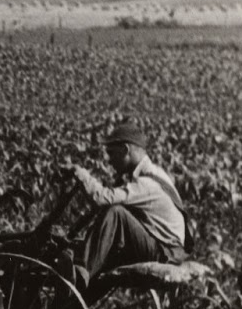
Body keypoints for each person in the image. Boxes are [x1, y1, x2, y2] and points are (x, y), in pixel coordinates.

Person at [69, 121, 186, 285]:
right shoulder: (156, 173)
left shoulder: (146, 183)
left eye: (111, 153)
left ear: (125, 150)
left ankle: (80, 272)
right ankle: (76, 301)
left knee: (115, 212)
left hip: (164, 252)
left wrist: (80, 174)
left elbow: (101, 198)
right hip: (166, 247)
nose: (109, 160)